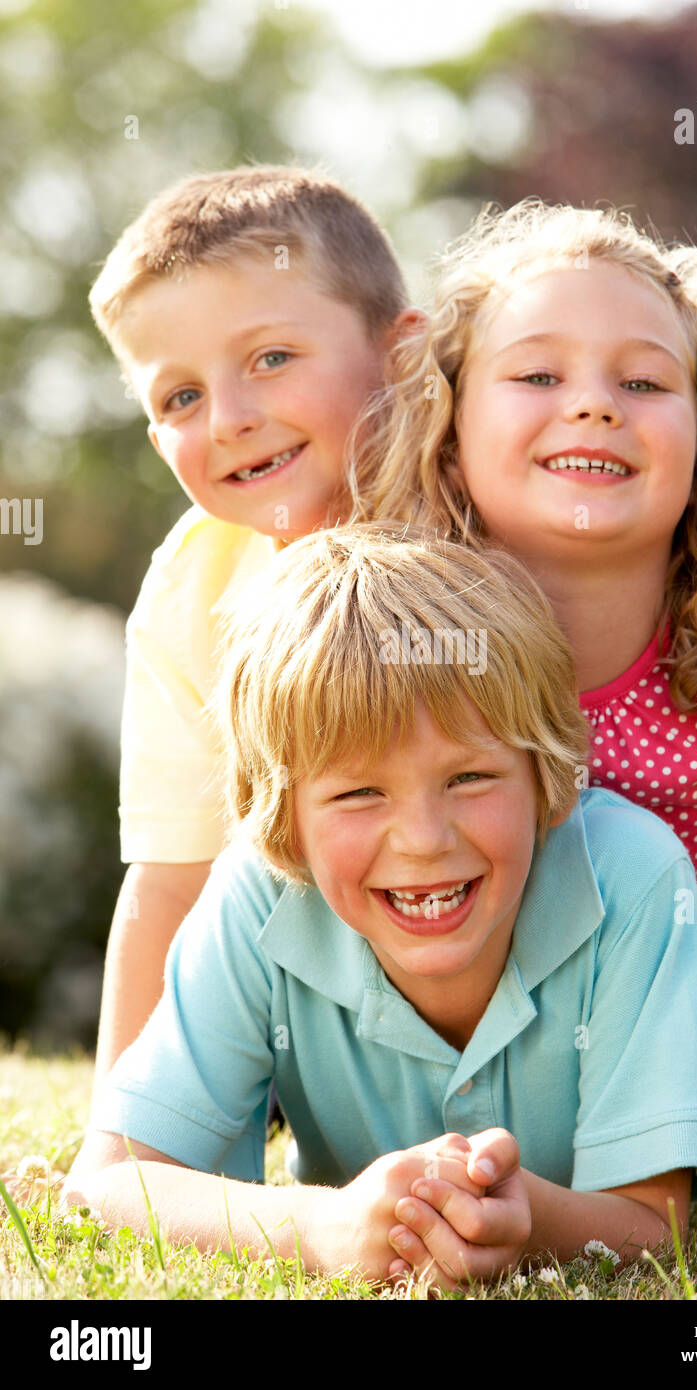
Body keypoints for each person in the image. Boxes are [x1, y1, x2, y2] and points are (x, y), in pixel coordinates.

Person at [347, 201, 697, 1257]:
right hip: (495, 1045)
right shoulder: (401, 630)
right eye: (537, 376)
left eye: (641, 382)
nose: (591, 406)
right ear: (447, 433)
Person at [66, 526, 697, 1289]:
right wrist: (320, 1228)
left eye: (469, 778)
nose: (424, 841)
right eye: (359, 792)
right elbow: (108, 1186)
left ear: (544, 777)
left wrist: (527, 1220)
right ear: (284, 818)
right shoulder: (257, 899)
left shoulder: (635, 878)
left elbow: (653, 1224)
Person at [87, 164, 420, 1100]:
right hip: (343, 1022)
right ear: (158, 439)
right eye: (179, 398)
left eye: (271, 359)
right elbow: (169, 879)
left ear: (400, 355)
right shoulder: (197, 583)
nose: (229, 419)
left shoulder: (480, 509)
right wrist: (118, 1135)